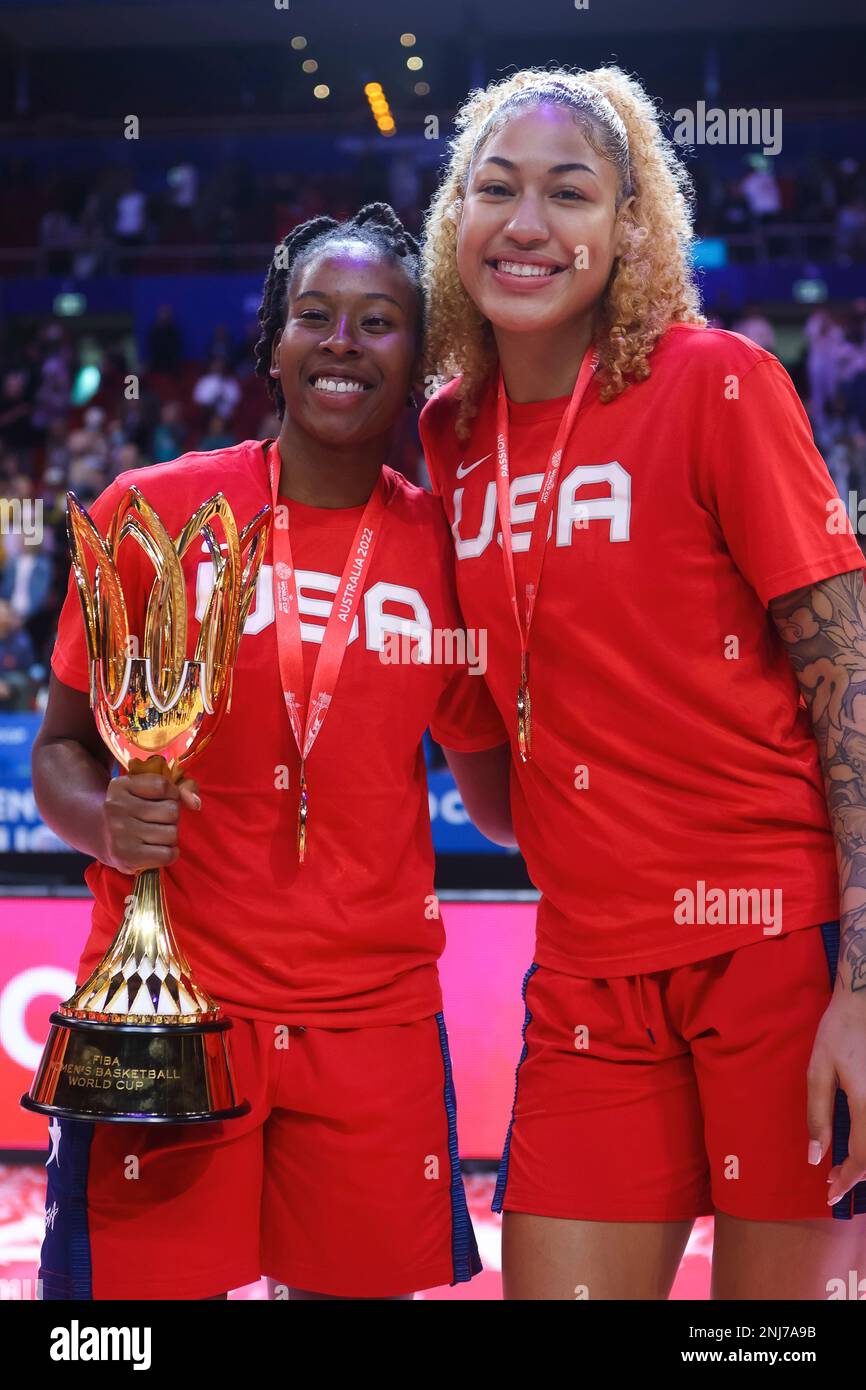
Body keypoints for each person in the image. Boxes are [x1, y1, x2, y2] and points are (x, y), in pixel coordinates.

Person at [418, 66, 866, 1300]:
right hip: (585, 972)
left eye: (571, 193)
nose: (527, 223)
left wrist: (862, 992)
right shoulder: (449, 433)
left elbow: (850, 675)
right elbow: (496, 766)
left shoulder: (714, 381)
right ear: (455, 216)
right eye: (495, 188)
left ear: (629, 226)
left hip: (776, 950)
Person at [32, 202, 512, 1301]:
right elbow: (59, 751)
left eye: (379, 320)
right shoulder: (153, 513)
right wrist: (103, 818)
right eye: (314, 315)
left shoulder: (448, 554)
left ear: (420, 357)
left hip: (373, 1019)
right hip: (173, 1009)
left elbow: (501, 802)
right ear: (273, 342)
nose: (343, 341)